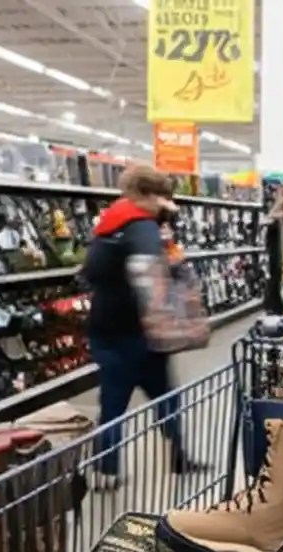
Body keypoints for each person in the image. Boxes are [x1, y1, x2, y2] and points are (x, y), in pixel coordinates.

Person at [82, 165, 202, 488]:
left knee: (112, 405)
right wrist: (174, 324)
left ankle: (105, 470)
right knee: (166, 398)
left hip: (104, 327)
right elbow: (151, 280)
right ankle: (178, 457)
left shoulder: (107, 226)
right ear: (151, 195)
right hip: (138, 333)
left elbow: (90, 273)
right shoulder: (142, 227)